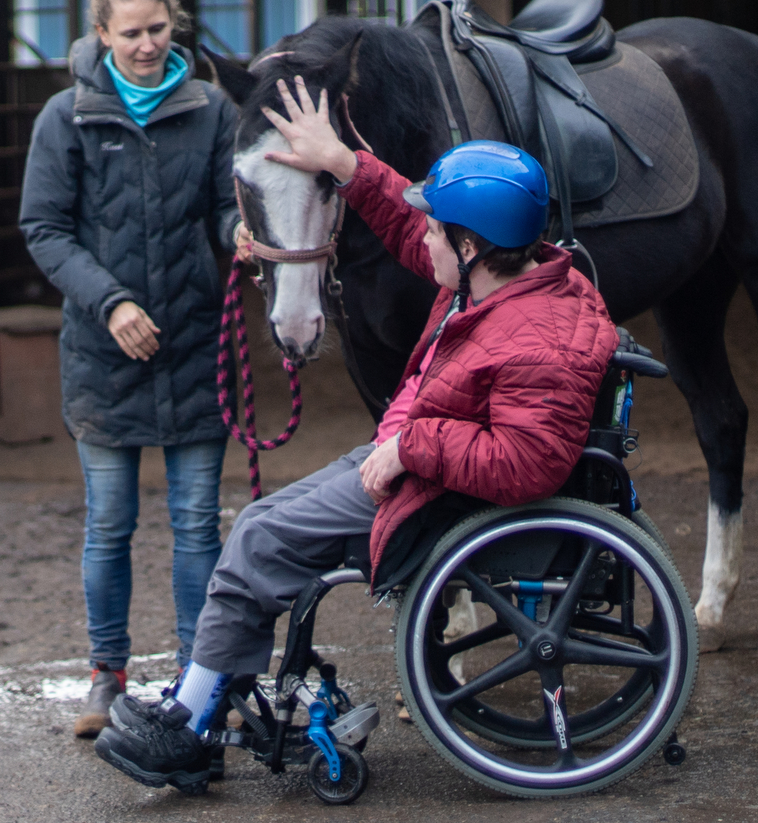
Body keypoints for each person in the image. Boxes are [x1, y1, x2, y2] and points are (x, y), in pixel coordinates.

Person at [93, 76, 619, 792]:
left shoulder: (531, 338)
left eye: (438, 229)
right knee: (264, 523)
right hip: (421, 455)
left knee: (258, 538)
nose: (421, 235)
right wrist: (342, 161)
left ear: (469, 245)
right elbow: (405, 227)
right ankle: (209, 700)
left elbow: (526, 460)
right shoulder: (505, 279)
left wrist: (409, 446)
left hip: (441, 487)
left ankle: (193, 724)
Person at [19, 0, 249, 738]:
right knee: (110, 522)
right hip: (103, 352)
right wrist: (110, 301)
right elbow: (45, 229)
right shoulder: (66, 115)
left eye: (158, 30)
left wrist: (238, 235)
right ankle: (105, 673)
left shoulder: (212, 108)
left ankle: (198, 677)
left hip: (193, 343)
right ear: (101, 35)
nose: (148, 45)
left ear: (172, 25)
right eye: (132, 33)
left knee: (196, 523)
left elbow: (222, 205)